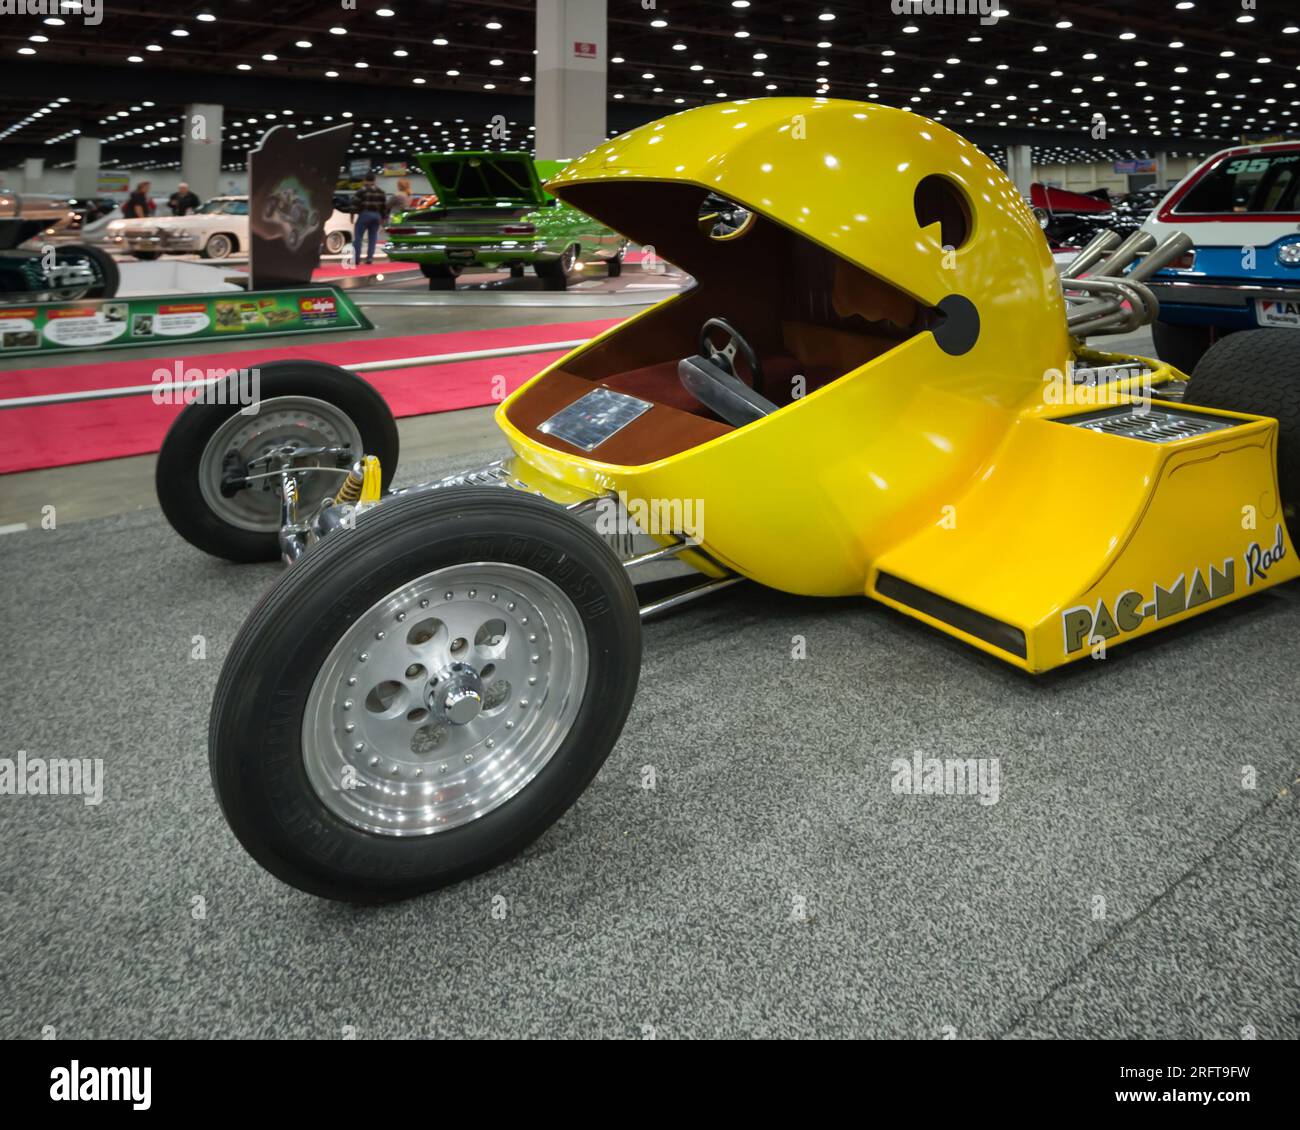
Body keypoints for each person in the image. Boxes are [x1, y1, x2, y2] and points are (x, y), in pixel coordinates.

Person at [350, 172, 388, 265]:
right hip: (377, 216)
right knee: (373, 237)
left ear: (365, 180)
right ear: (375, 180)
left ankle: (356, 259)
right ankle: (369, 258)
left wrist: (351, 215)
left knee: (358, 237)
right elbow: (384, 207)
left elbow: (354, 204)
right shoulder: (381, 192)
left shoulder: (361, 191)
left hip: (364, 215)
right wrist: (383, 218)